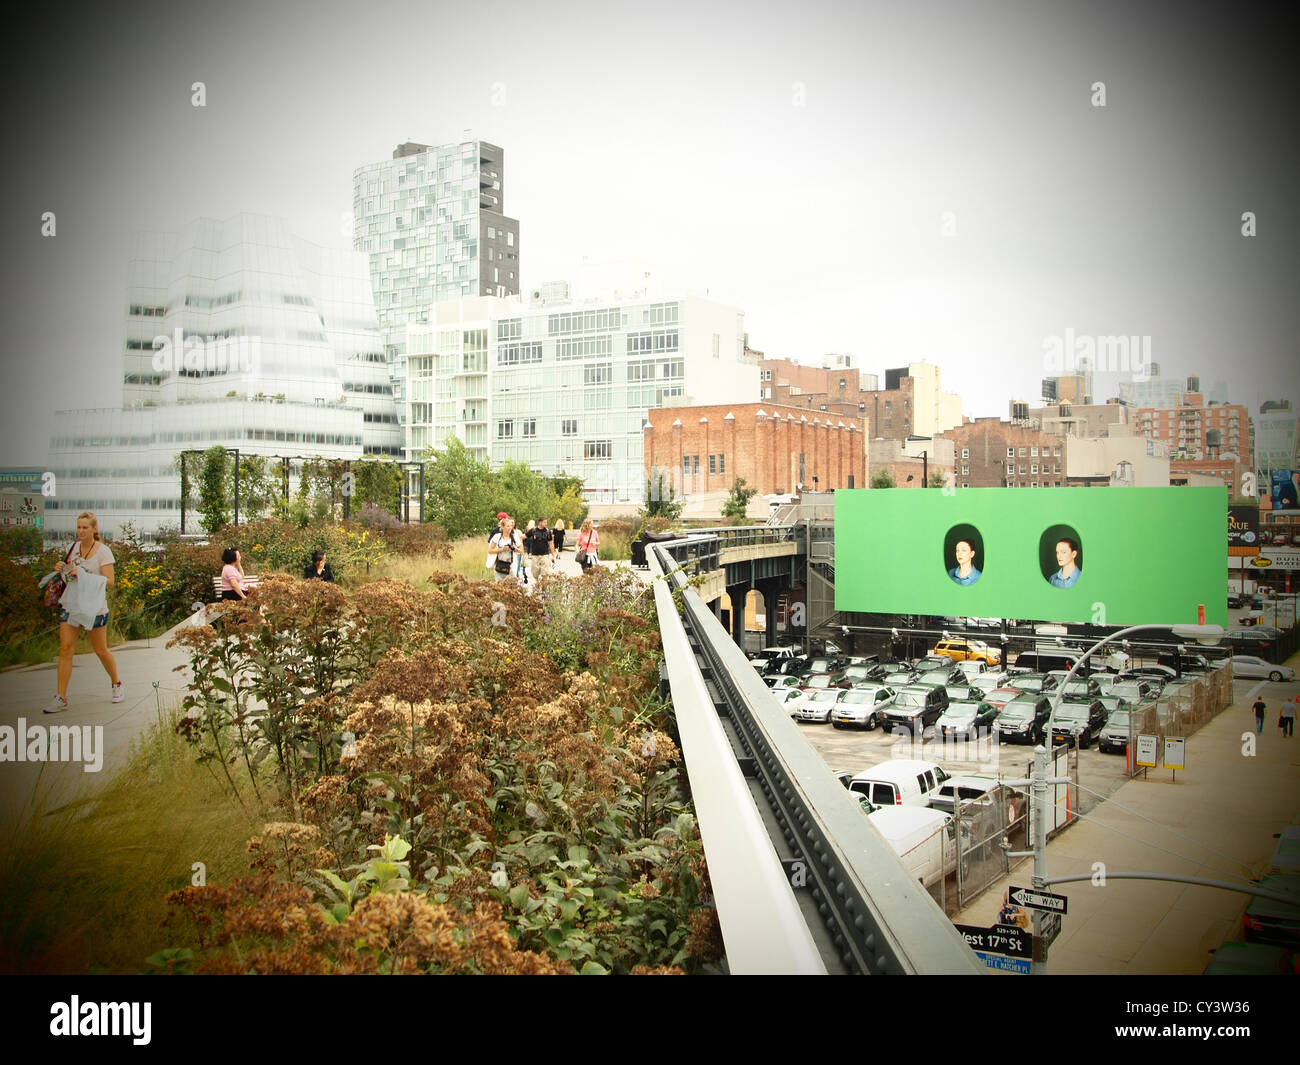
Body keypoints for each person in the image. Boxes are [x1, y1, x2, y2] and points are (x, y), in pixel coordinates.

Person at [43, 511, 123, 714]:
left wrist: (83, 574)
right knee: (66, 648)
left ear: (94, 529)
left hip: (94, 606)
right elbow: (70, 575)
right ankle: (61, 696)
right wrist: (62, 568)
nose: (81, 531)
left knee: (100, 649)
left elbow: (110, 581)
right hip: (72, 604)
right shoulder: (73, 548)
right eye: (78, 527)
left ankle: (116, 683)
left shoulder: (103, 551)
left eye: (85, 527)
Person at [488, 517, 522, 583]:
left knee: (512, 586)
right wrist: (502, 549)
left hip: (512, 565)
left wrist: (514, 549)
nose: (510, 528)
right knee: (499, 586)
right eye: (508, 526)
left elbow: (521, 551)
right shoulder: (497, 537)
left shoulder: (515, 537)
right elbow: (490, 551)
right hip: (499, 565)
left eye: (511, 526)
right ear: (502, 527)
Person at [528, 517, 553, 582]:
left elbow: (551, 543)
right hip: (535, 555)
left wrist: (553, 555)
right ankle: (537, 583)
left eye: (546, 522)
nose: (546, 524)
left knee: (545, 573)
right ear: (540, 522)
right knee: (535, 573)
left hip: (544, 554)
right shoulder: (533, 530)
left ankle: (544, 587)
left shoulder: (548, 531)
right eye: (544, 522)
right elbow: (523, 536)